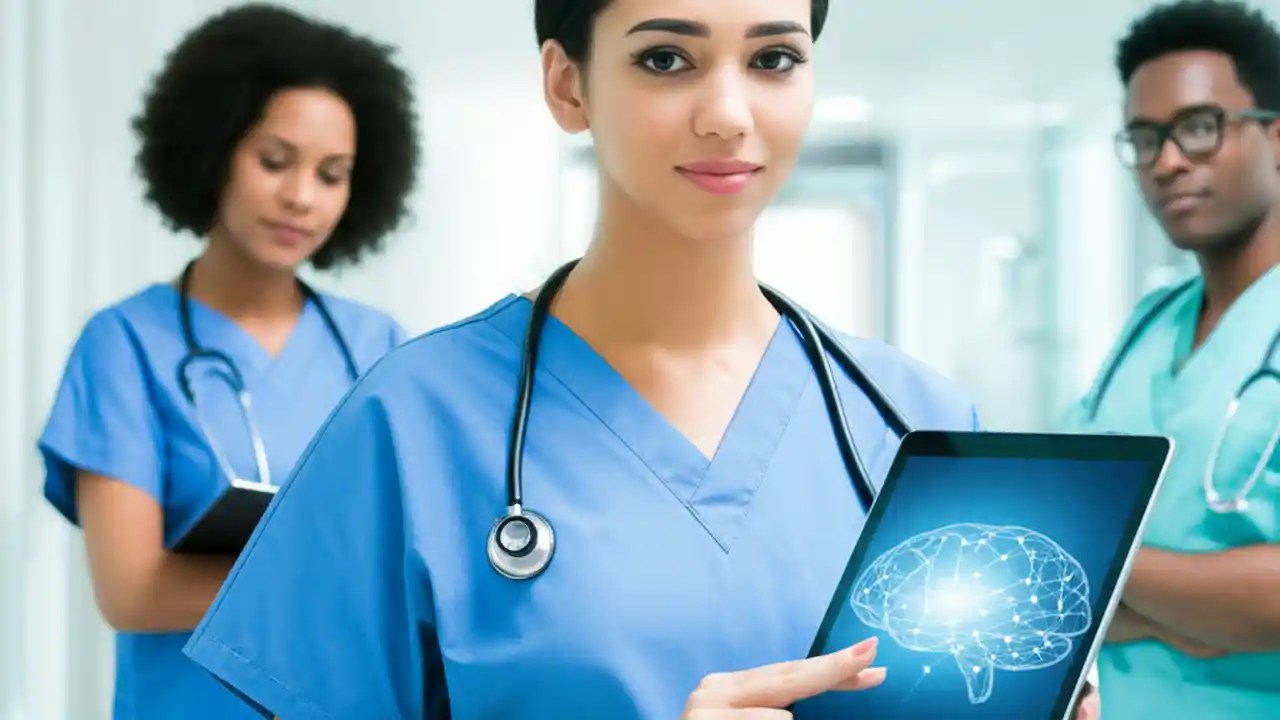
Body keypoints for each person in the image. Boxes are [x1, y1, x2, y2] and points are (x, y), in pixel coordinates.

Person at [180, 1, 1095, 718]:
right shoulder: (414, 422)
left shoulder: (914, 417)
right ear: (568, 86)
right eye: (667, 59)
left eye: (774, 58)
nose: (730, 115)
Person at [35, 4, 420, 718]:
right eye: (274, 161)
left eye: (332, 174)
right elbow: (133, 591)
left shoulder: (377, 345)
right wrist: (330, 581)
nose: (301, 197)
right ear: (212, 150)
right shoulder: (124, 345)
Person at [1062, 1, 1280, 717]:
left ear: (1276, 136)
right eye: (1145, 137)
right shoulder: (1147, 328)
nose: (1168, 160)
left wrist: (1108, 574)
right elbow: (1056, 519)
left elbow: (1076, 563)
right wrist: (1205, 608)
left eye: (1199, 127)